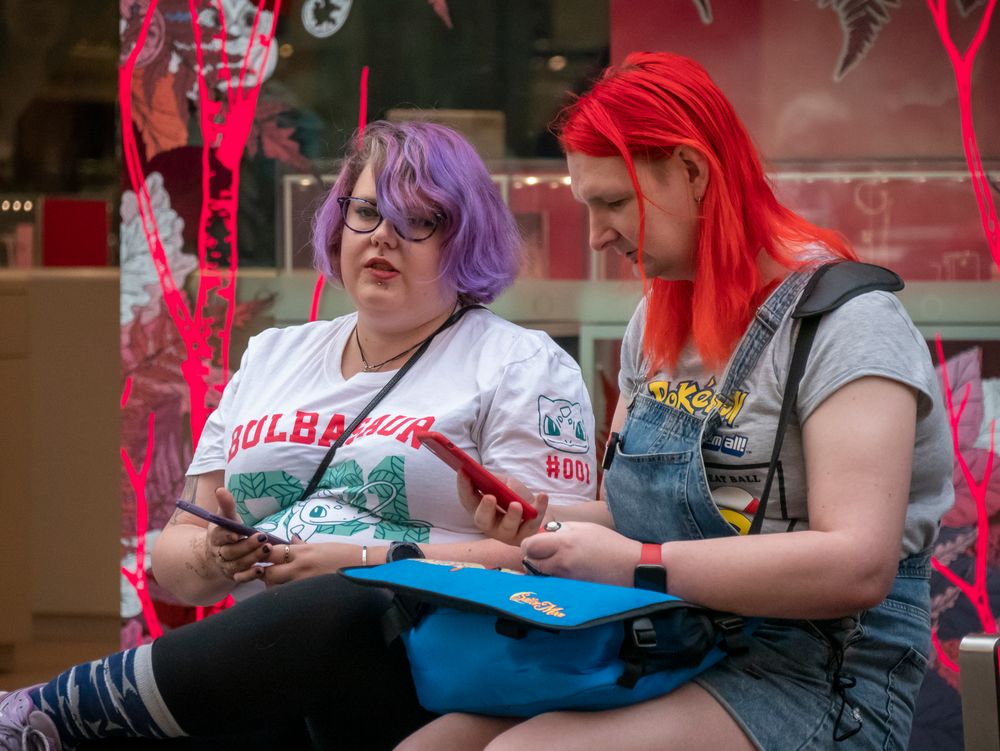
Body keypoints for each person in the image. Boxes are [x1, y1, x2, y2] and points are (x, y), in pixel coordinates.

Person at [397, 52, 953, 751]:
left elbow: (857, 563)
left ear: (691, 173)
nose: (598, 234)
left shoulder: (848, 321)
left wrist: (633, 562)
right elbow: (629, 517)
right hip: (676, 644)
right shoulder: (655, 323)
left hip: (827, 677)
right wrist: (537, 517)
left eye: (612, 202)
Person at [0, 120, 597, 751]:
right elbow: (175, 561)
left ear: (464, 236)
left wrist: (361, 562)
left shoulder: (520, 364)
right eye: (366, 212)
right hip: (266, 661)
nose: (383, 238)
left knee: (340, 604)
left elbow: (551, 560)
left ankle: (57, 711)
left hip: (432, 660)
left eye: (418, 220)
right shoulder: (272, 355)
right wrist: (215, 556)